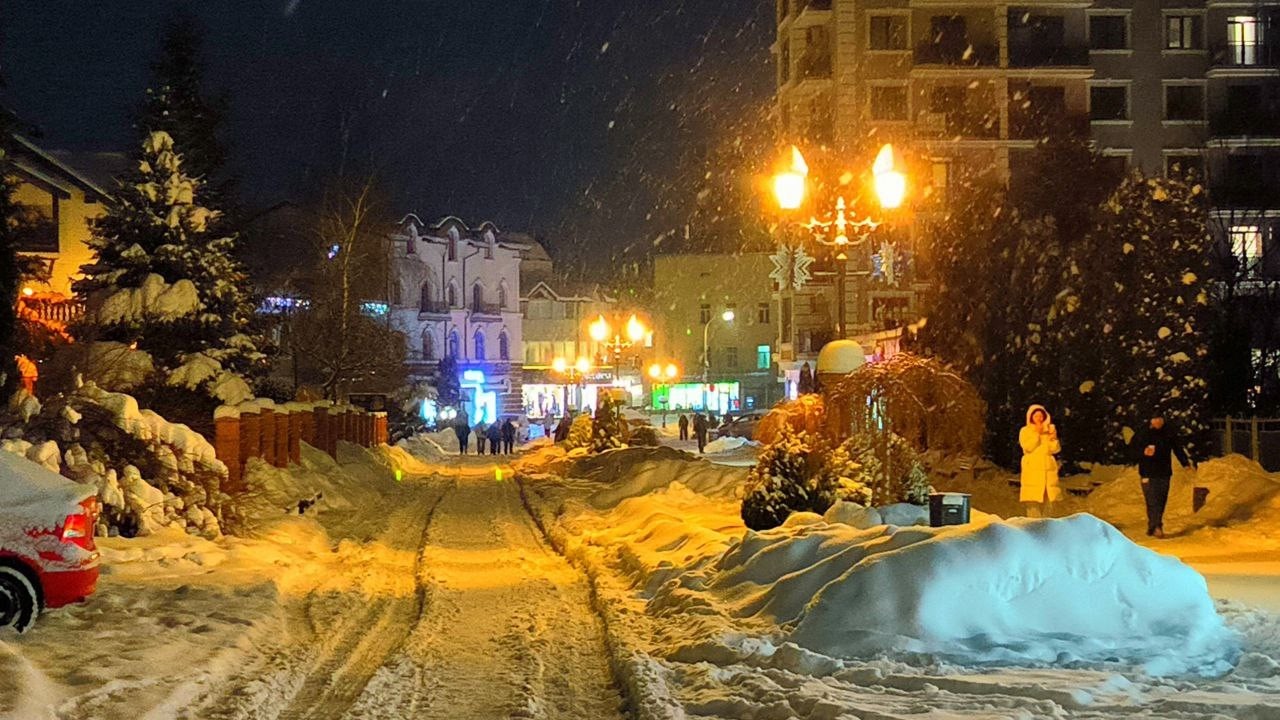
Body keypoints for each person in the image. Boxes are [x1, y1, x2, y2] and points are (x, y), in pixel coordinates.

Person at [1130, 415, 1195, 538]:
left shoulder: (1168, 433)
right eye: (1155, 419)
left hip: (1164, 472)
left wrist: (1185, 464)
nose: (1158, 422)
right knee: (1152, 500)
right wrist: (1143, 452)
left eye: (1160, 419)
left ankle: (1152, 525)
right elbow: (1132, 450)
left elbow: (1177, 449)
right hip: (1147, 472)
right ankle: (1157, 526)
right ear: (1150, 420)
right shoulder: (1143, 433)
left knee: (1161, 500)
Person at [1019, 404, 1062, 518]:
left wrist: (1053, 438)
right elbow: (1028, 447)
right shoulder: (1025, 431)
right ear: (1031, 417)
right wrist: (1036, 434)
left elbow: (1055, 449)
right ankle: (1034, 526)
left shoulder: (1049, 430)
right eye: (1036, 416)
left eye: (1041, 415)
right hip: (1033, 469)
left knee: (1050, 500)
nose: (1039, 418)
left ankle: (1048, 527)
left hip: (1048, 470)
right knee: (1033, 500)